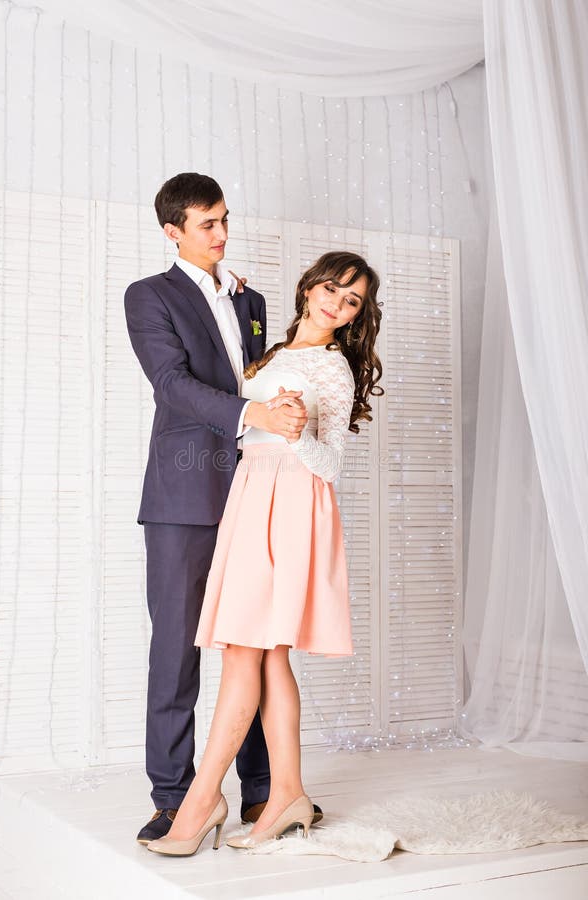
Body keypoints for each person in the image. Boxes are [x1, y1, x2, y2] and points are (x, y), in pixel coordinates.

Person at [146, 250, 383, 857]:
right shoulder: (273, 353)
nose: (336, 303)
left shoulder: (333, 368)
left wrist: (297, 434)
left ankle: (201, 802)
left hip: (291, 502)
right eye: (331, 288)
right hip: (252, 495)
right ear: (308, 287)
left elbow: (330, 464)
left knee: (243, 654)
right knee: (268, 657)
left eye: (351, 301)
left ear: (356, 316)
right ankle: (287, 795)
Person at [125, 172, 315, 845]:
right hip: (183, 495)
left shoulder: (249, 299)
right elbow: (171, 384)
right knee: (176, 648)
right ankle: (175, 798)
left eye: (225, 219)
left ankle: (262, 791)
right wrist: (251, 412)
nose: (223, 234)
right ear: (172, 231)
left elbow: (263, 371)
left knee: (254, 643)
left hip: (259, 488)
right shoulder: (148, 295)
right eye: (208, 224)